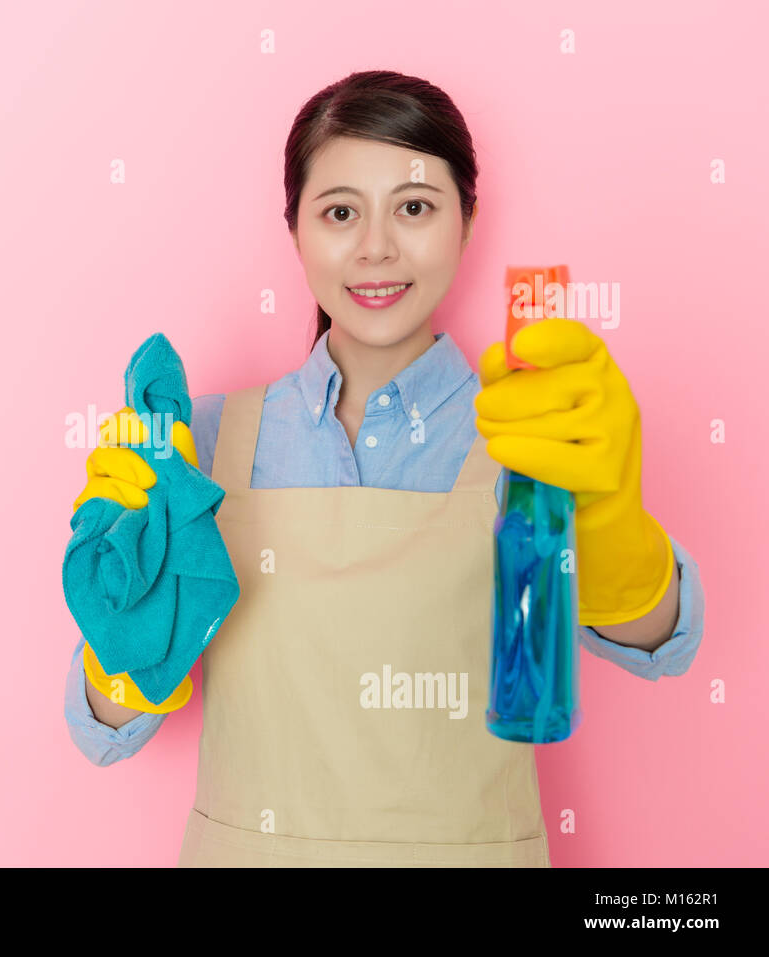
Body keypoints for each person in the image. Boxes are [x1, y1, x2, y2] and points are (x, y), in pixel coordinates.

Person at [63, 70, 705, 867]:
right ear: (293, 227)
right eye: (339, 212)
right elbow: (105, 732)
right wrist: (123, 642)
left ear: (468, 220)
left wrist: (610, 524)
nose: (376, 247)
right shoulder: (198, 446)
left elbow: (663, 644)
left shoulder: (534, 436)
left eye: (414, 207)